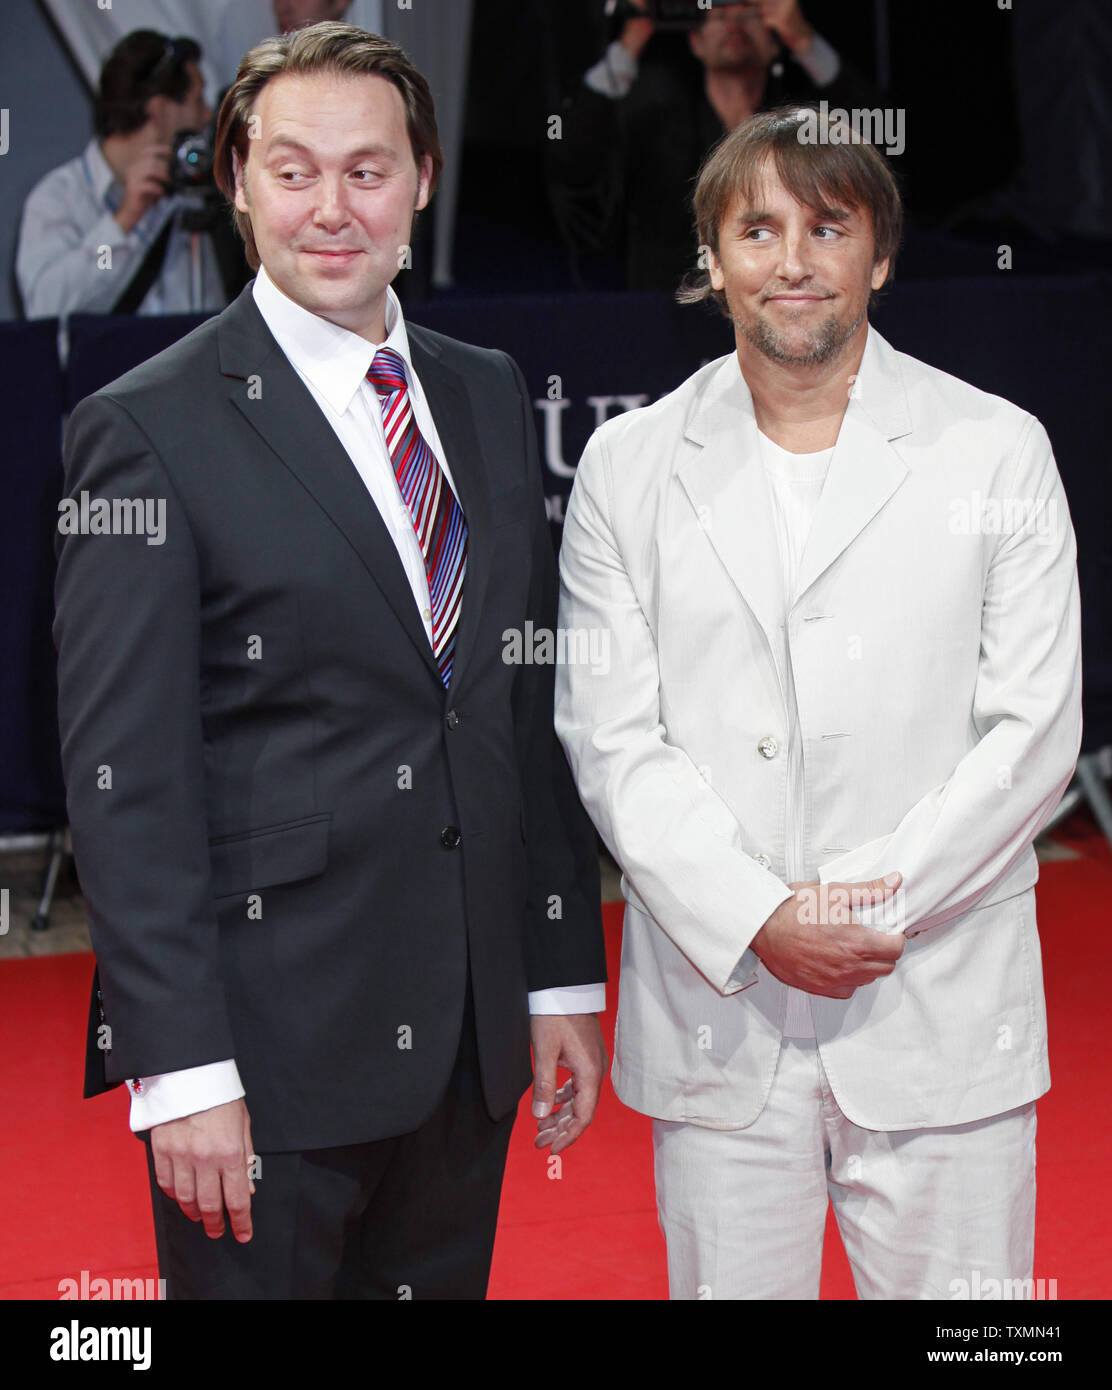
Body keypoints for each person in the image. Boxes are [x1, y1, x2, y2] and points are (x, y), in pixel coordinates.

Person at [54, 21, 607, 1301]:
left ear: (421, 178)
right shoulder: (144, 430)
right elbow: (125, 784)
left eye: (367, 170)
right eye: (293, 170)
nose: (331, 208)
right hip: (265, 1056)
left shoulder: (480, 390)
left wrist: (557, 970)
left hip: (465, 1043)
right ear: (236, 182)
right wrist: (180, 1070)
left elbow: (518, 710)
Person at [554, 105, 1082, 1299]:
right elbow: (609, 738)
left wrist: (861, 906)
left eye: (826, 226)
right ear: (712, 259)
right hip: (717, 1013)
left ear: (878, 256)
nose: (789, 260)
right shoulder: (627, 468)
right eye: (756, 228)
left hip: (940, 1005)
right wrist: (757, 915)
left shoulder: (995, 450)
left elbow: (1035, 733)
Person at [549, 0, 890, 290]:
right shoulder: (654, 121)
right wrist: (631, 39)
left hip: (781, 303)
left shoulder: (805, 128)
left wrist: (803, 39)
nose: (733, 23)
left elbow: (886, 140)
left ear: (775, 39)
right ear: (695, 40)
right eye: (717, 11)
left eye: (750, 11)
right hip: (665, 311)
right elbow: (570, 157)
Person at [17, 31, 233, 320]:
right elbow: (44, 308)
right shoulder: (59, 197)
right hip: (103, 366)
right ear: (160, 111)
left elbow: (212, 319)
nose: (207, 116)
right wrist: (125, 221)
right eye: (196, 101)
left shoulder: (193, 195)